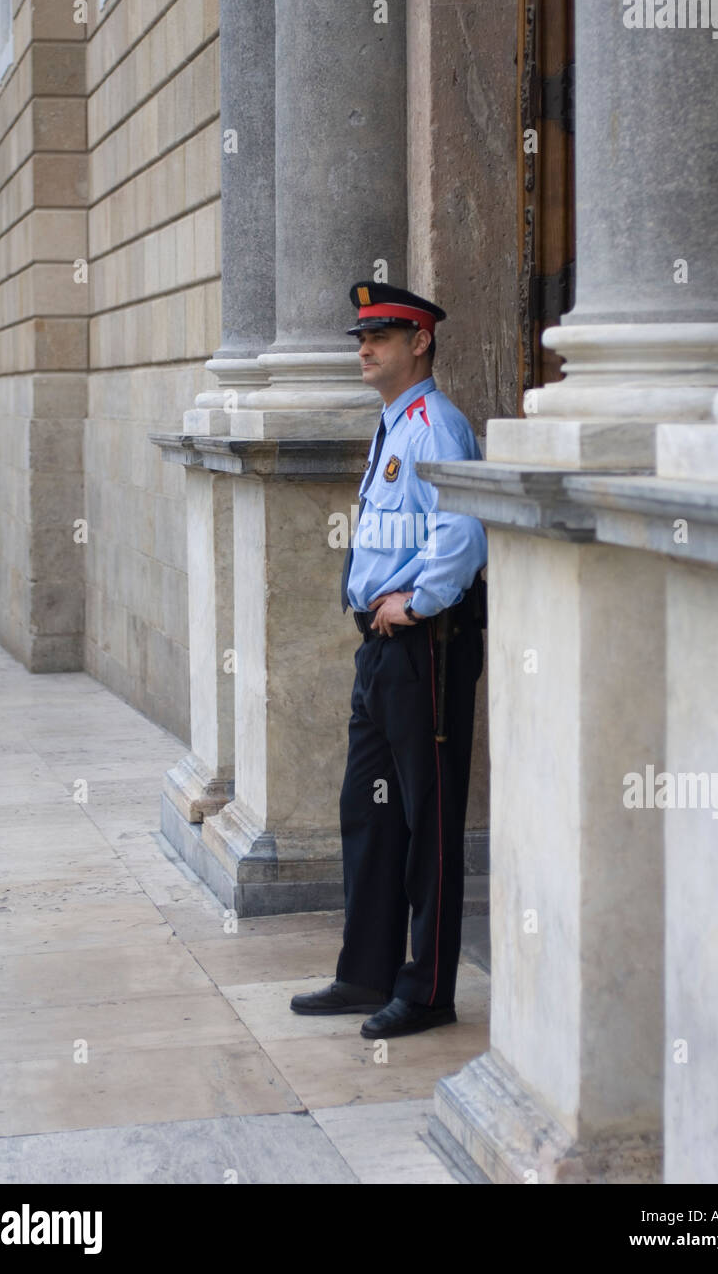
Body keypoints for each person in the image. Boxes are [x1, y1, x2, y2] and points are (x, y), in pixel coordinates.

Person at [290, 280, 488, 1039]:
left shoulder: (435, 426)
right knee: (367, 814)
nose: (364, 347)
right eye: (360, 336)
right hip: (380, 650)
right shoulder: (393, 424)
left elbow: (461, 531)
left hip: (423, 648)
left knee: (427, 819)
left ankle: (429, 988)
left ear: (421, 343)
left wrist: (419, 602)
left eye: (381, 335)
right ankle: (365, 973)